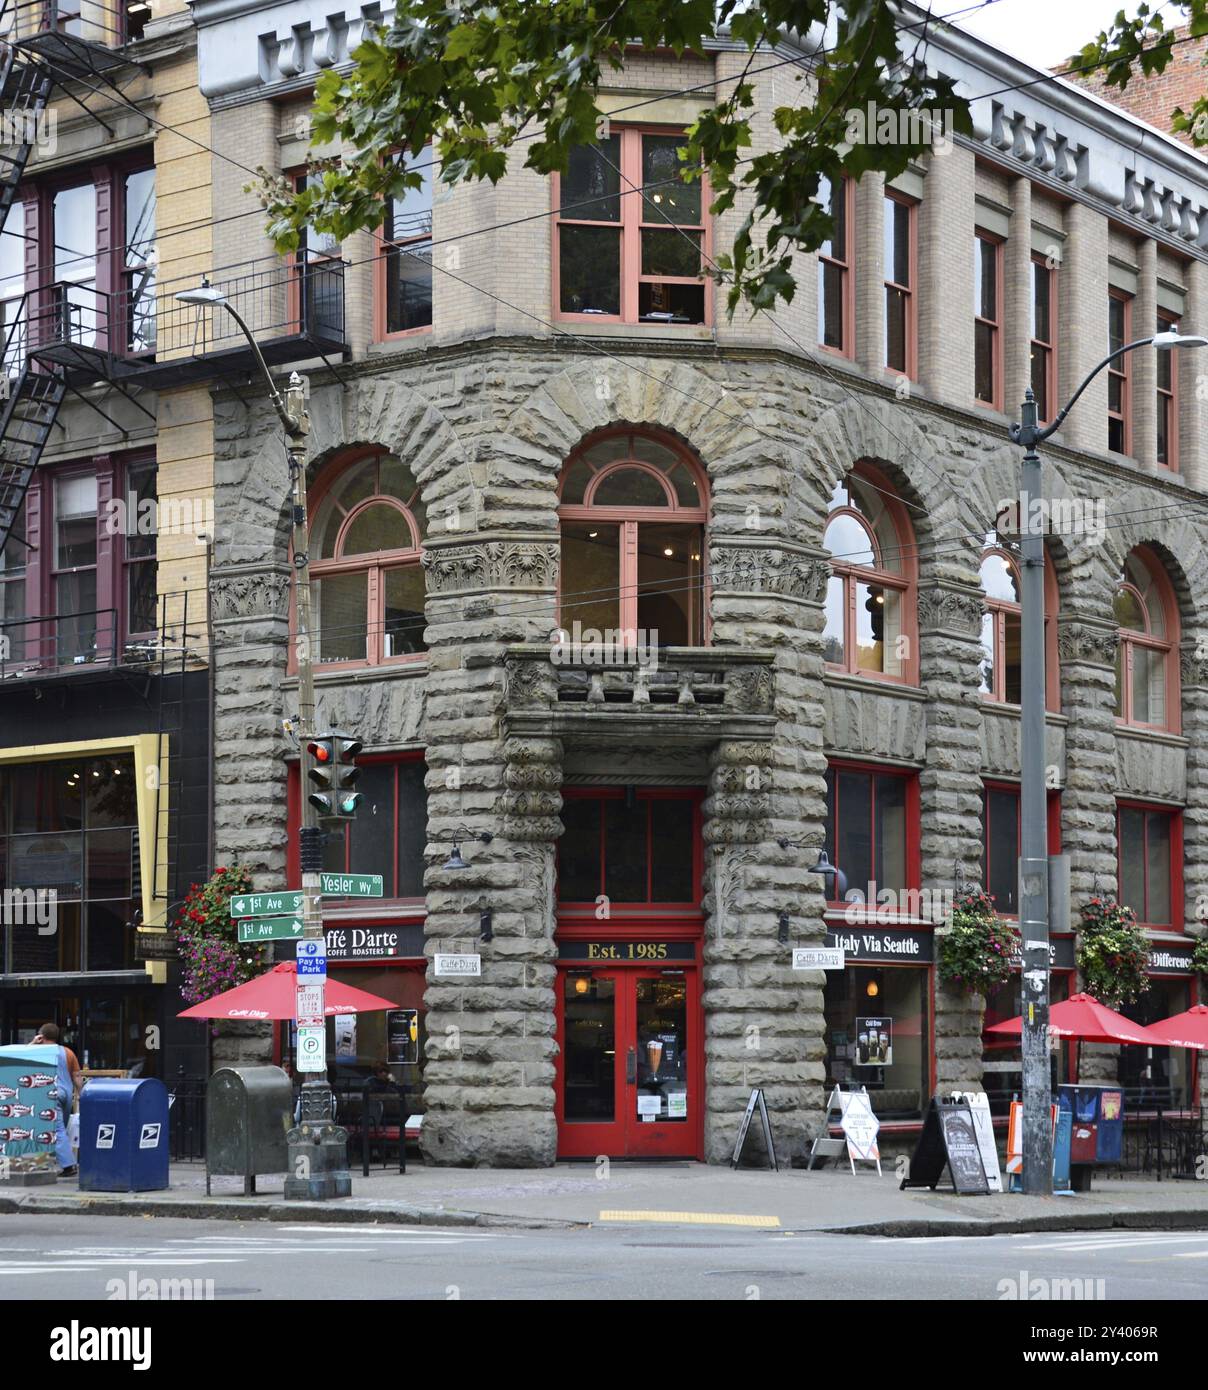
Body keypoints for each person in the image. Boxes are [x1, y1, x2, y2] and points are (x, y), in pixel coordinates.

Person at [30, 1022, 82, 1177]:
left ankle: (69, 1166)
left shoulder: (36, 1051)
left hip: (49, 1094)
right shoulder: (68, 1052)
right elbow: (77, 1076)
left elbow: (20, 1055)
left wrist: (33, 1042)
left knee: (55, 1130)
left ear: (41, 1036)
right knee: (55, 1128)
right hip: (65, 1095)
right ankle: (44, 1162)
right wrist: (82, 1094)